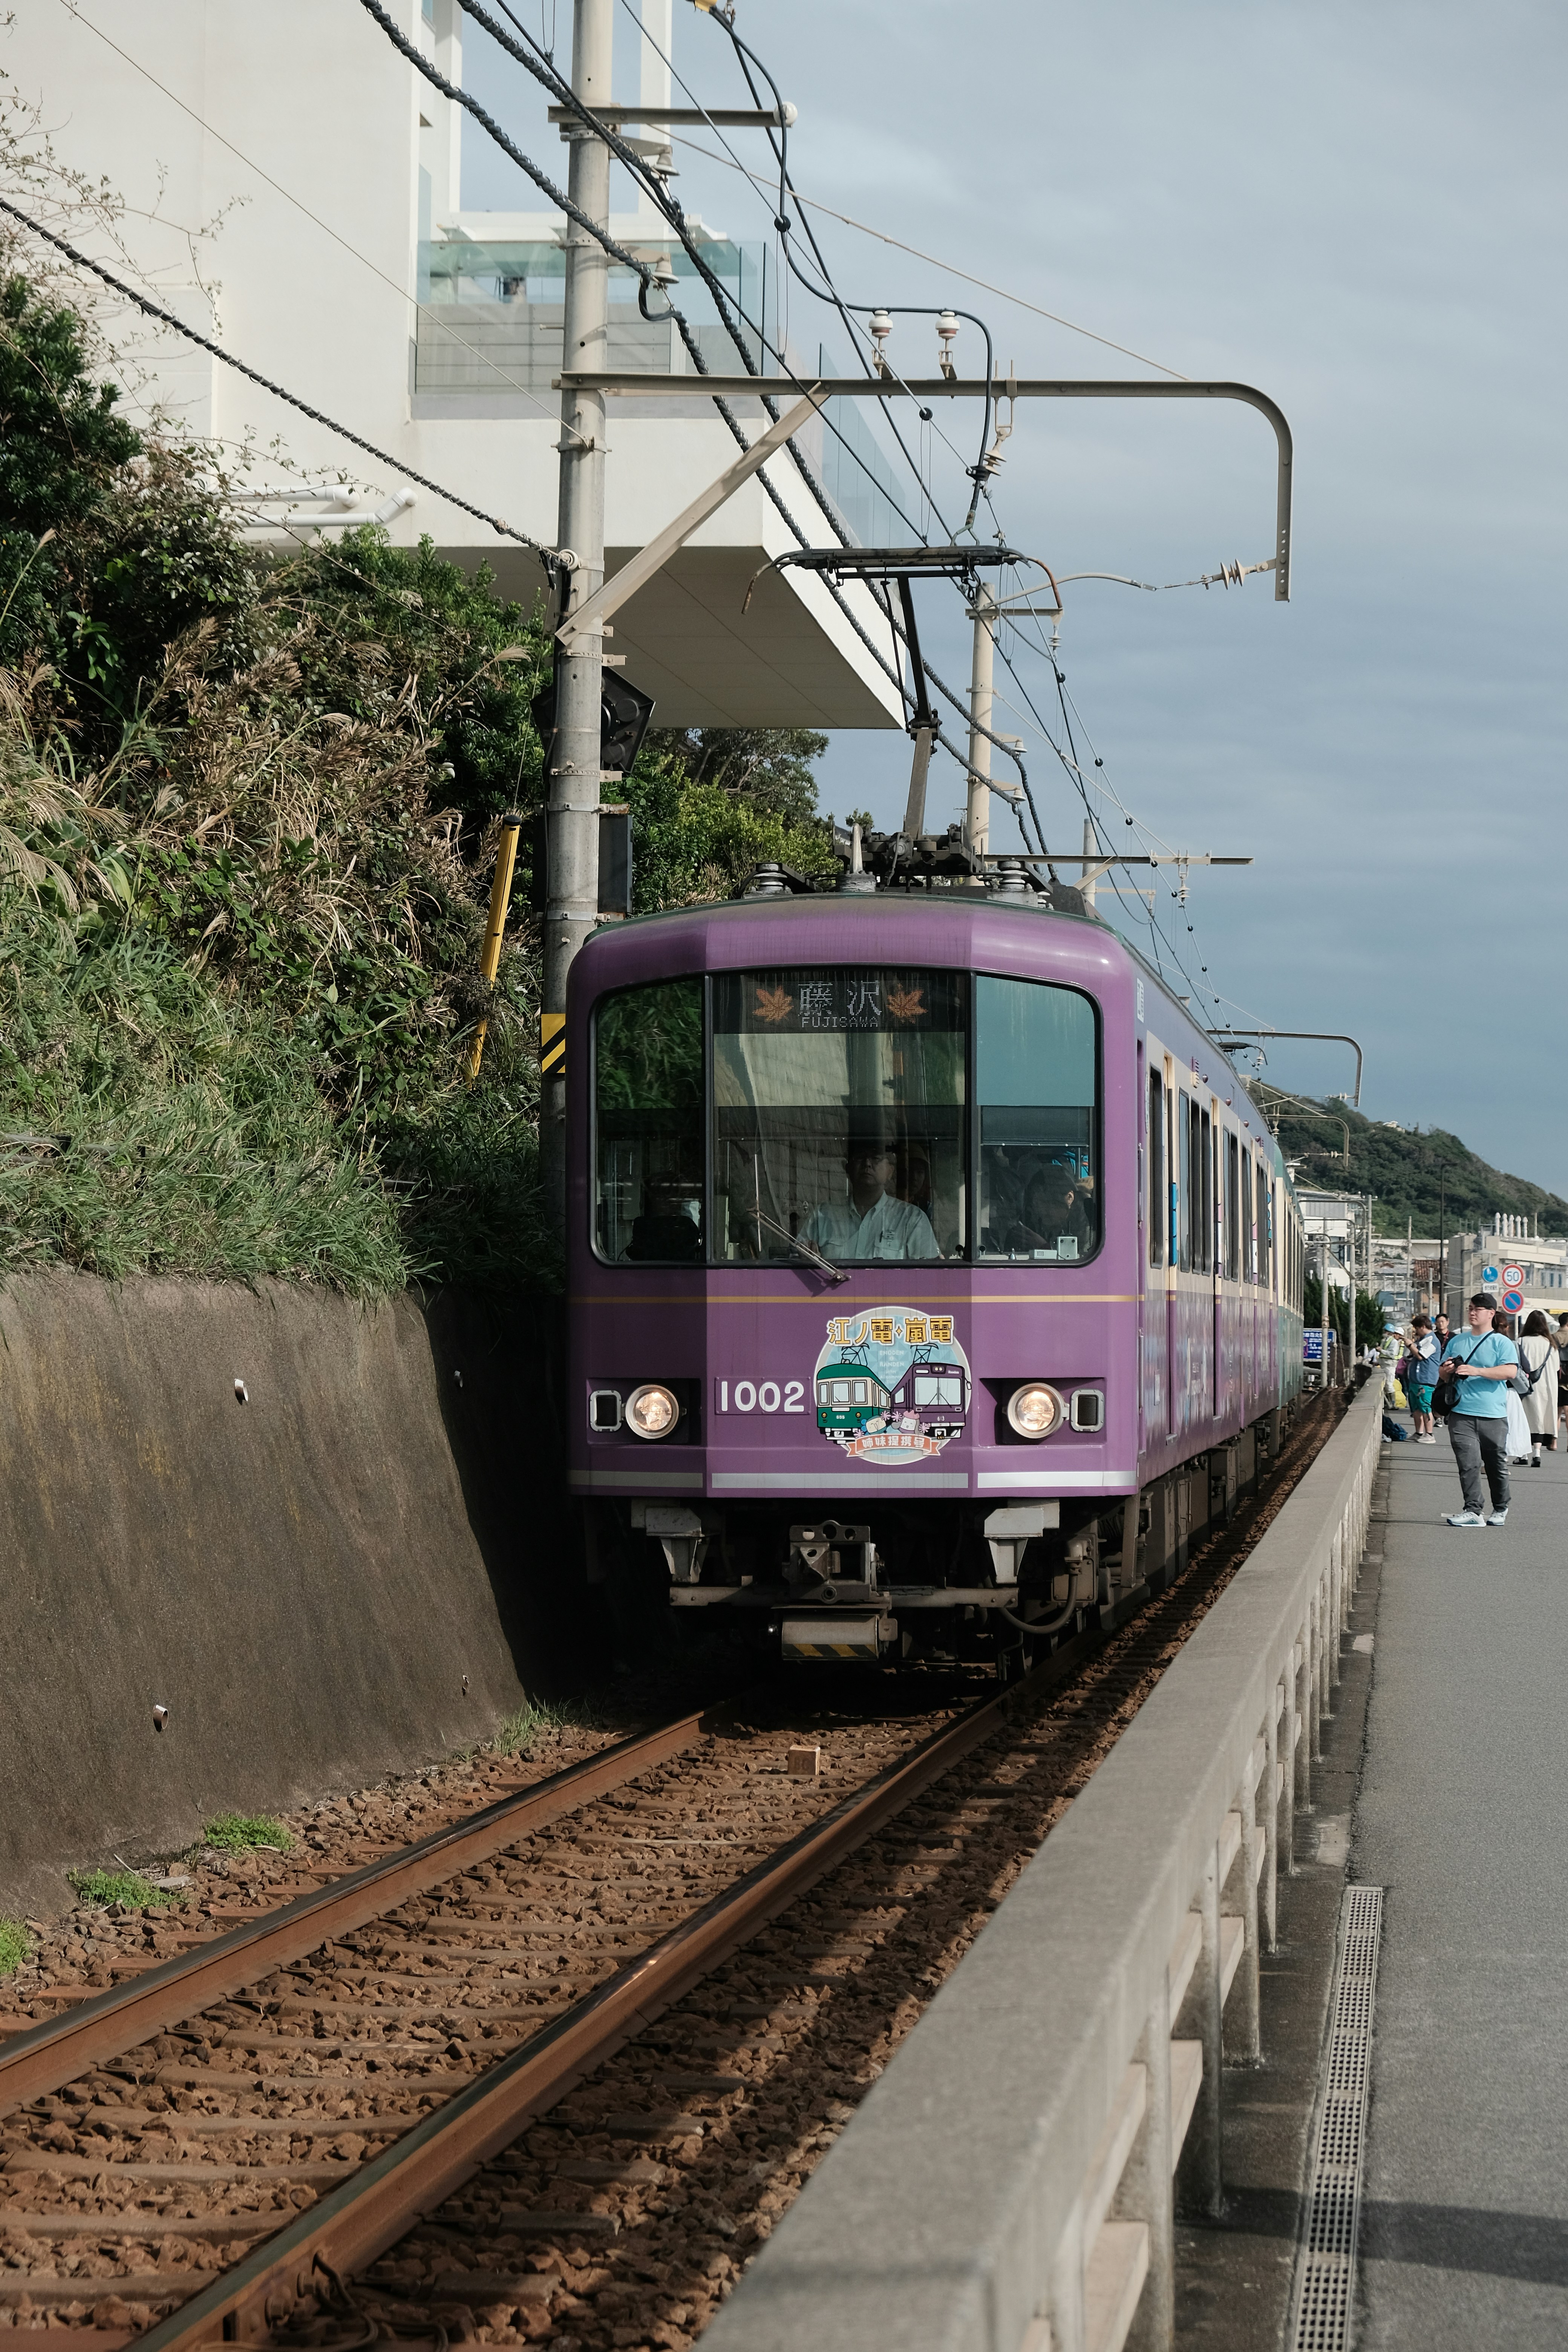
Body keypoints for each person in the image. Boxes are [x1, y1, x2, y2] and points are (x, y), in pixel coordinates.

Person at [1437, 1292, 1519, 1527]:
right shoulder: (1457, 1341)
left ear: (1491, 1314)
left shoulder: (1502, 1342)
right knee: (1468, 1463)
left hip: (1493, 1413)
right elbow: (1442, 1373)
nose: (1473, 1312)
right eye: (1471, 1308)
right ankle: (1473, 1510)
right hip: (1461, 1411)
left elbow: (1510, 1372)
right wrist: (1448, 1371)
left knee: (1496, 1464)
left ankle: (1501, 1508)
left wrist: (1477, 1371)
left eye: (1478, 1309)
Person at [801, 1135, 940, 1262]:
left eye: (876, 1158)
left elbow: (926, 1277)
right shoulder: (823, 1215)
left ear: (890, 1172)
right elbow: (798, 1260)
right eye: (860, 1157)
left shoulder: (912, 1219)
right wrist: (808, 1262)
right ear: (848, 1169)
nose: (867, 1163)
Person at [1517, 1309, 1559, 1468]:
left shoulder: (1521, 1342)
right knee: (1541, 1419)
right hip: (1547, 1387)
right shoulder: (1551, 1345)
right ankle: (1537, 1454)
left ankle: (1523, 1455)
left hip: (1526, 1386)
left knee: (1526, 1419)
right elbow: (1555, 1368)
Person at [1404, 1314, 1441, 1443]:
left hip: (1426, 1380)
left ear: (1423, 1327)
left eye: (1417, 1328)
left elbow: (1421, 1356)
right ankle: (1419, 1433)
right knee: (1416, 1408)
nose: (1416, 1331)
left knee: (1426, 1407)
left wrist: (1410, 1346)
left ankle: (1430, 1434)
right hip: (1416, 1379)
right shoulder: (1422, 1340)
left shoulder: (1433, 1340)